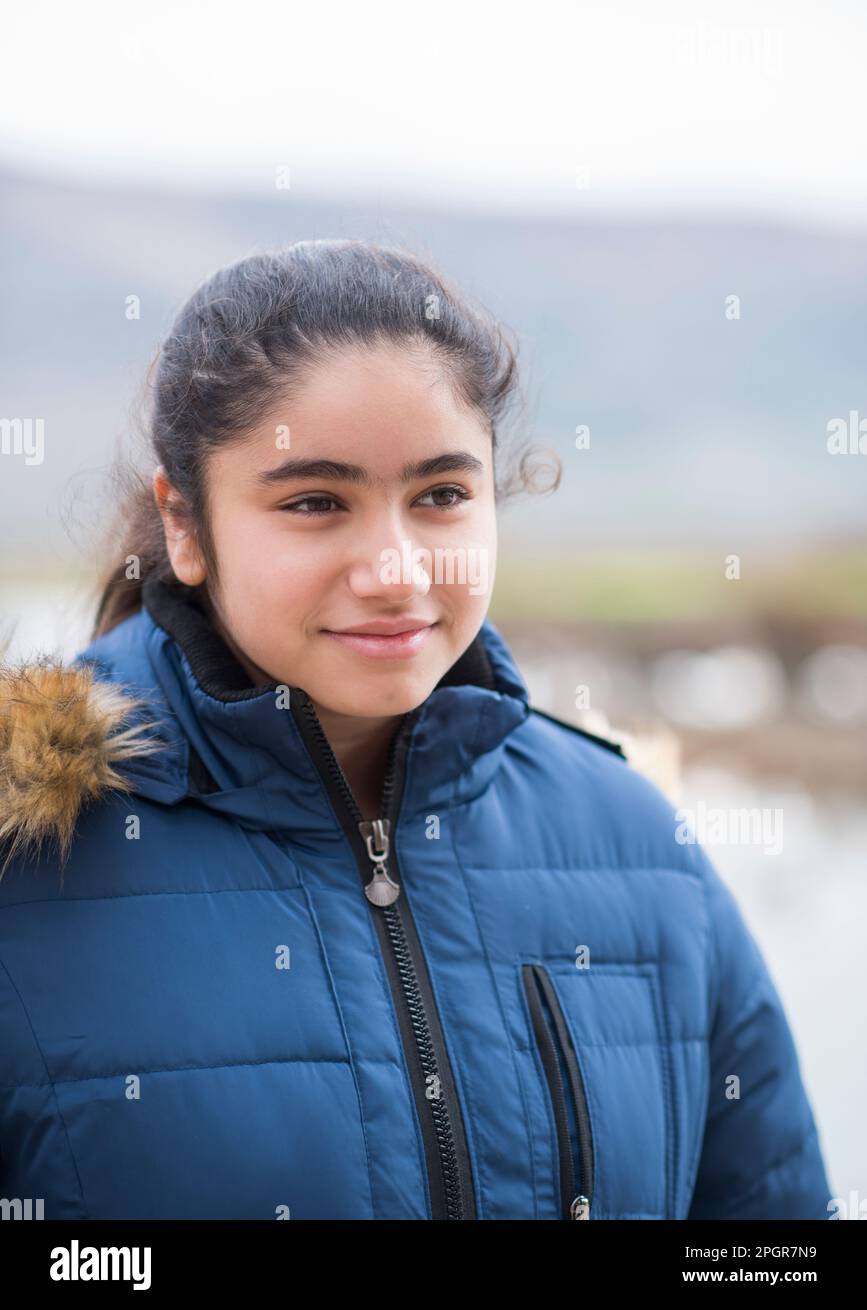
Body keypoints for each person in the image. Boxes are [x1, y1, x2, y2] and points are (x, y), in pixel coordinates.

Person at [0, 240, 833, 1220]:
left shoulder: (639, 848)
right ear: (184, 527)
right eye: (316, 502)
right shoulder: (28, 857)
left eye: (440, 495)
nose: (397, 570)